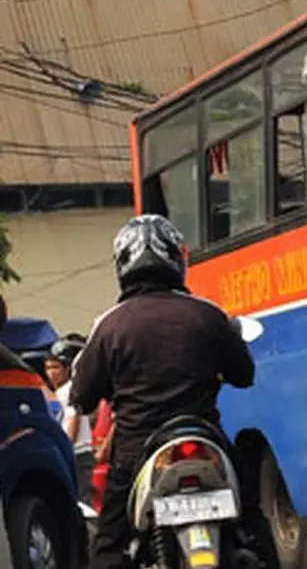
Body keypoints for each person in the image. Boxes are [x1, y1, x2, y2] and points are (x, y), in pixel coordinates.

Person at [70, 214, 276, 569]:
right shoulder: (208, 314)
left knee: (109, 543)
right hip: (205, 438)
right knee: (253, 520)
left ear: (122, 264)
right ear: (177, 259)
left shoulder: (109, 326)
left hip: (136, 452)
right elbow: (244, 374)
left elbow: (82, 396)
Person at [44, 338, 93, 506]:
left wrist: (65, 447)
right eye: (48, 368)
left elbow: (74, 419)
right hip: (70, 453)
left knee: (82, 503)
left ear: (67, 368)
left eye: (55, 367)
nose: (51, 373)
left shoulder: (71, 389)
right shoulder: (58, 392)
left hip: (77, 454)